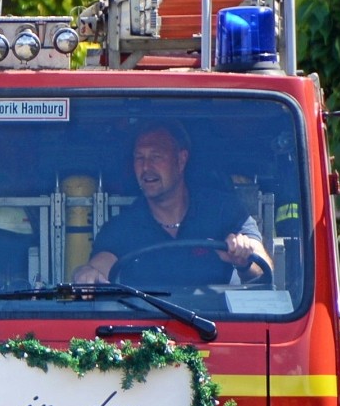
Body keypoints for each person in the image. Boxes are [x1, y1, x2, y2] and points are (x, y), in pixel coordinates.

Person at [72, 121, 272, 287]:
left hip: (216, 330)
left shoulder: (222, 210)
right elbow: (99, 267)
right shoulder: (123, 227)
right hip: (144, 332)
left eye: (156, 157)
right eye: (139, 158)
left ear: (181, 160)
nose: (146, 167)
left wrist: (244, 260)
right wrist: (87, 274)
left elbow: (265, 272)